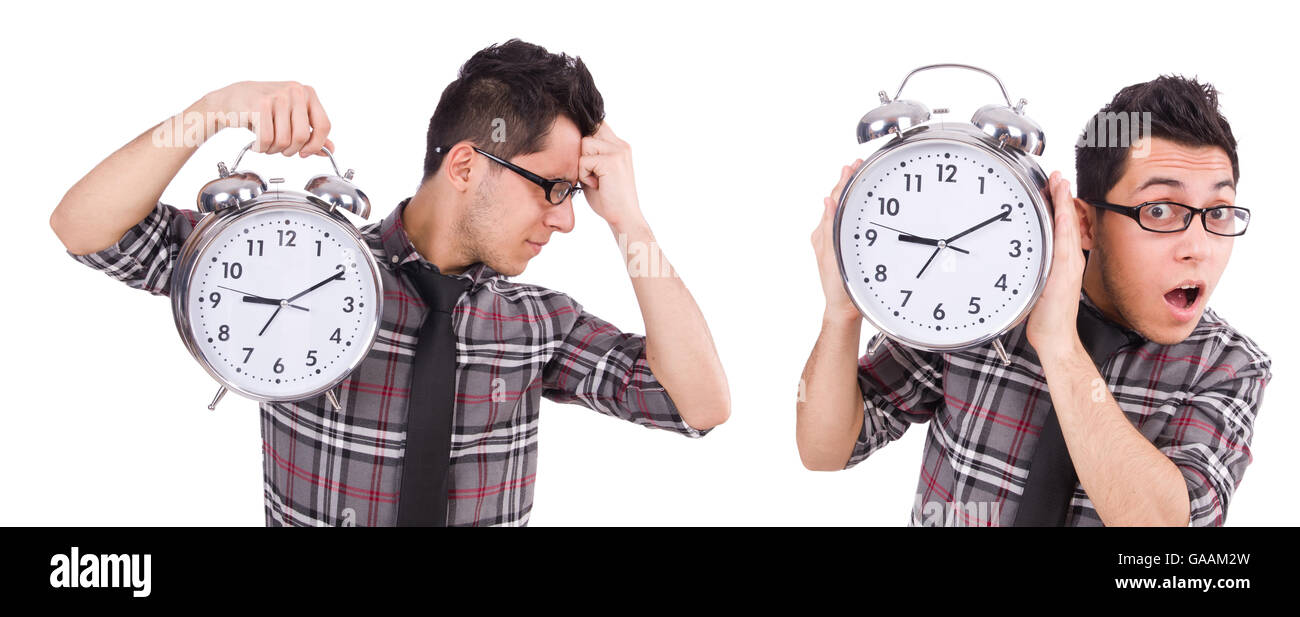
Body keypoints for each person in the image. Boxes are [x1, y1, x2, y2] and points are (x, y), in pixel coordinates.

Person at [51, 39, 730, 527]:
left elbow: (699, 403)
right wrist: (214, 109)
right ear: (466, 165)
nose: (565, 218)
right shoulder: (297, 259)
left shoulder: (538, 323)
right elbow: (83, 228)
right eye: (553, 188)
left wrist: (631, 222)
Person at [797, 75, 1270, 526]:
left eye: (1219, 212)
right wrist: (841, 314)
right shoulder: (981, 305)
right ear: (1084, 223)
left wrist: (1059, 347)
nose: (1199, 246)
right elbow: (825, 450)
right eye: (1160, 210)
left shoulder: (1229, 365)